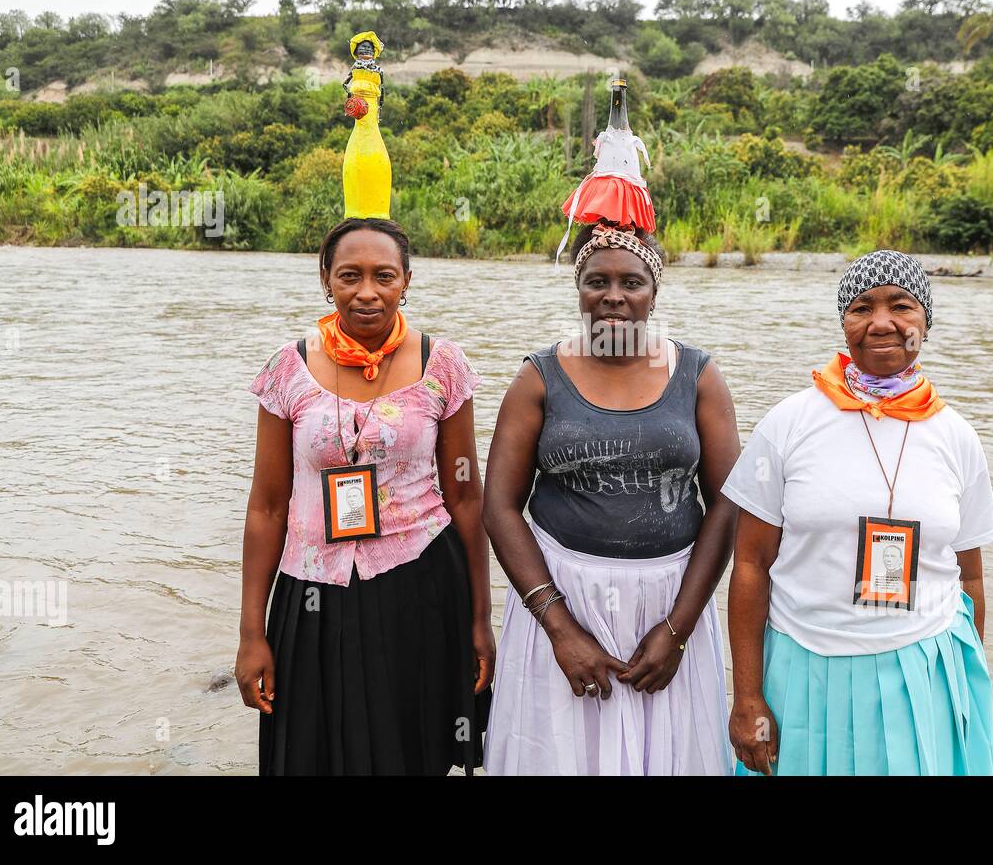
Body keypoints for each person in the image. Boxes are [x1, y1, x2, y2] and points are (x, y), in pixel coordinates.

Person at [724, 249, 993, 776]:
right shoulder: (789, 423)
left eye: (901, 306)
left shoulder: (956, 437)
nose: (881, 323)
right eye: (860, 307)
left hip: (922, 670)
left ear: (925, 322)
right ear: (842, 322)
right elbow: (751, 565)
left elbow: (972, 577)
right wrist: (748, 697)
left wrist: (964, 681)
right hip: (804, 668)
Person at [236, 216, 494, 775]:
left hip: (421, 584)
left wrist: (480, 619)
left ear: (406, 281)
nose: (367, 292)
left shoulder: (440, 366)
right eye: (350, 275)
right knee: (311, 751)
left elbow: (466, 497)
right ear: (326, 280)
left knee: (413, 750)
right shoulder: (290, 370)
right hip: (312, 595)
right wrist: (251, 634)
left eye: (385, 276)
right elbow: (266, 506)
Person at [482, 224, 739, 775]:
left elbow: (726, 505)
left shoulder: (698, 376)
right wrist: (560, 627)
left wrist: (677, 629)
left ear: (655, 290)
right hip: (558, 597)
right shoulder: (539, 377)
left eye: (632, 282)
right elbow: (499, 507)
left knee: (667, 755)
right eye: (597, 281)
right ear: (579, 290)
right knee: (560, 755)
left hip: (671, 600)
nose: (614, 296)